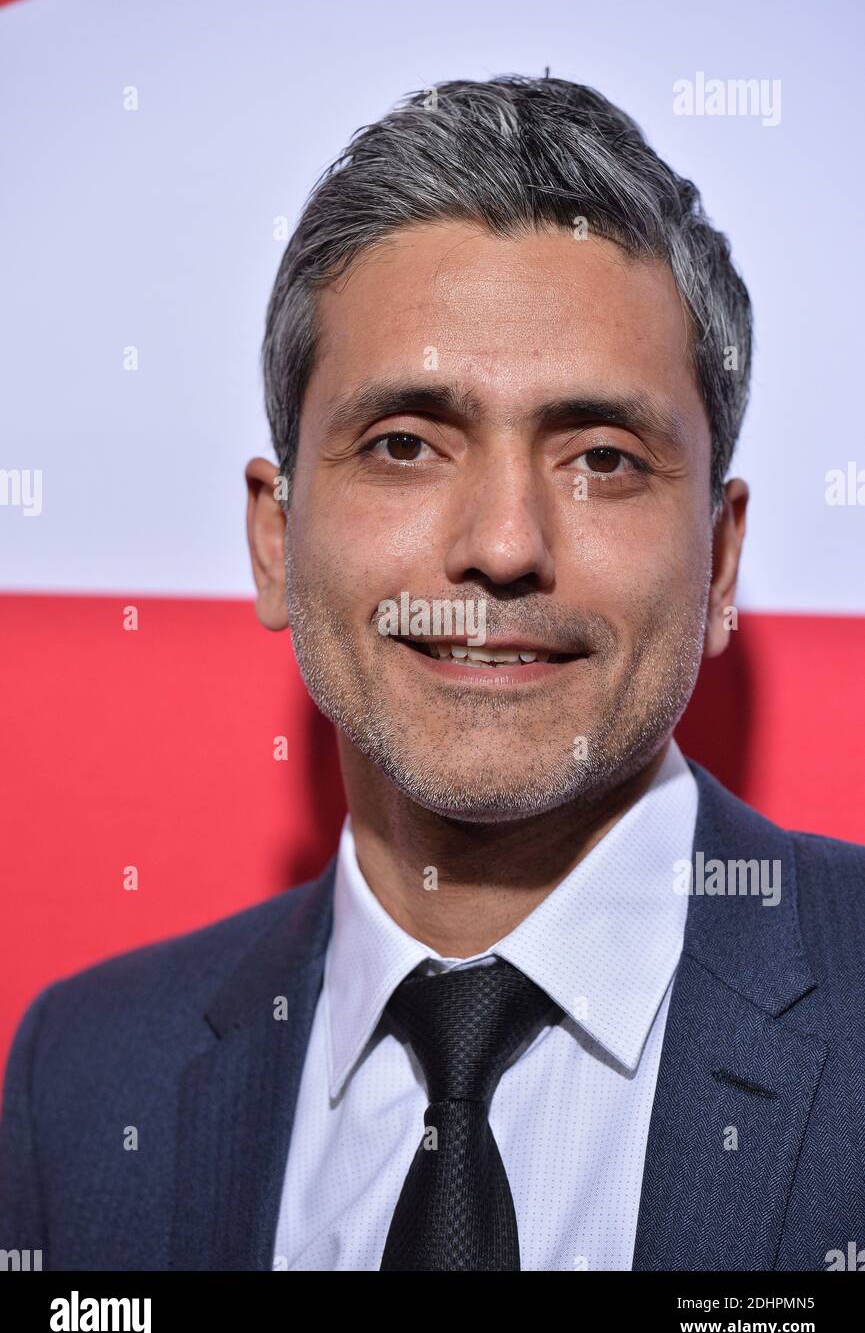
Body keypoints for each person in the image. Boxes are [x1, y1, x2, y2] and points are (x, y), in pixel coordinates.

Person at [2, 74, 863, 1272]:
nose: (503, 544)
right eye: (405, 444)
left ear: (719, 562)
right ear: (273, 538)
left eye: (602, 458)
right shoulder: (85, 1082)